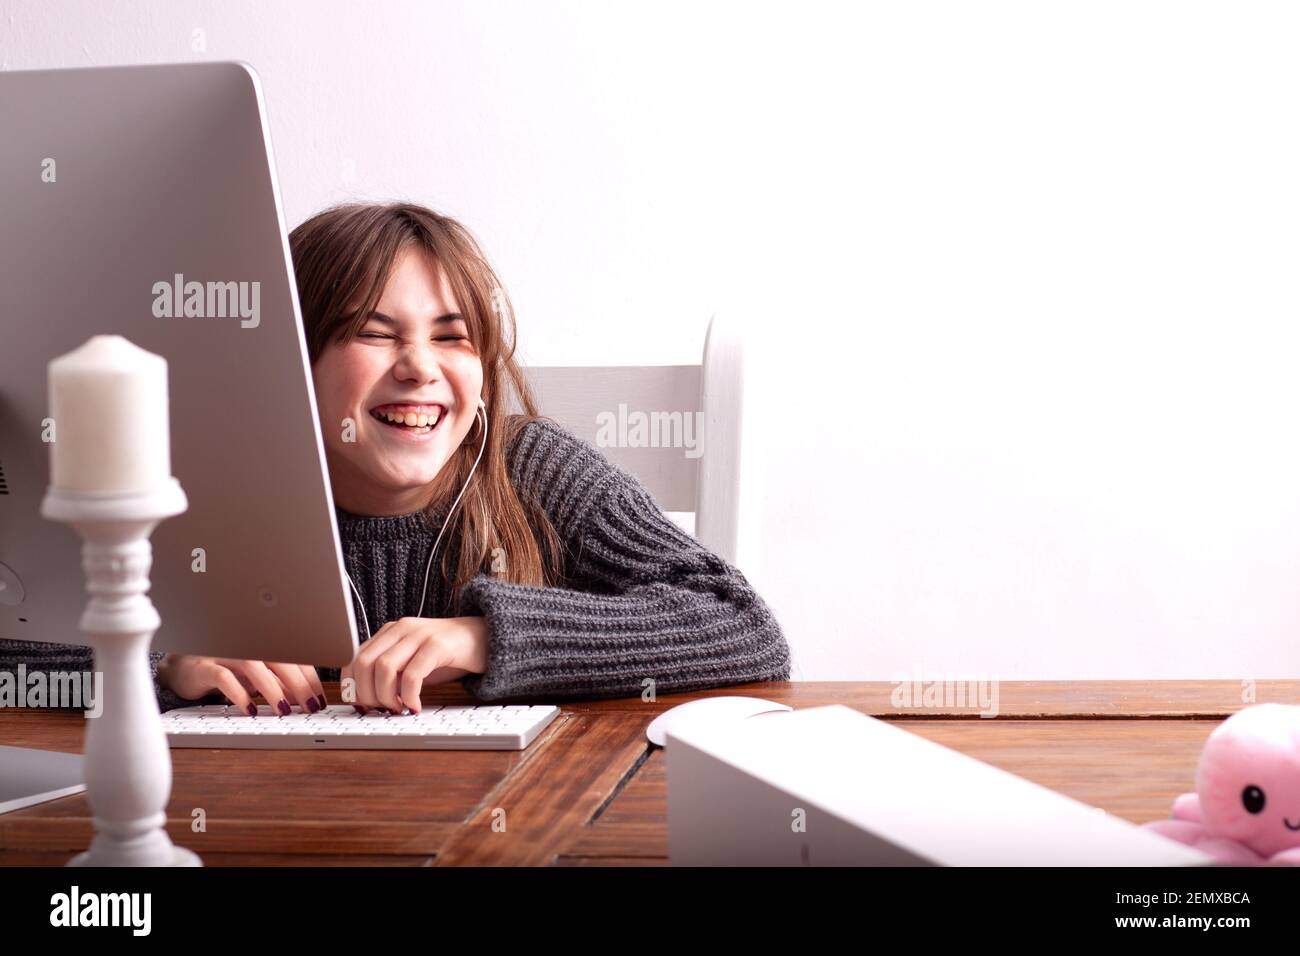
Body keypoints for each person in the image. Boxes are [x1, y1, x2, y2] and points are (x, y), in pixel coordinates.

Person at [4, 201, 792, 715]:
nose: (419, 366)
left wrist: (483, 637)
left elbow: (746, 627)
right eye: (375, 333)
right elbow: (14, 659)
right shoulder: (207, 493)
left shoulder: (531, 471)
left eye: (451, 337)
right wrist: (161, 661)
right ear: (290, 360)